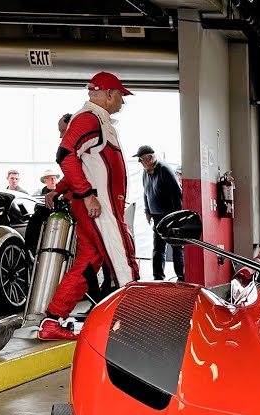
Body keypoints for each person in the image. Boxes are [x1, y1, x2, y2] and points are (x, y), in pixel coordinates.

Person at [38, 71, 140, 341]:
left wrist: (62, 189)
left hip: (96, 207)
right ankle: (139, 323)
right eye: (120, 96)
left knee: (87, 264)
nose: (122, 101)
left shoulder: (97, 120)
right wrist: (87, 194)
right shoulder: (89, 119)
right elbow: (65, 155)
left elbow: (79, 162)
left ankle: (53, 320)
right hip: (100, 209)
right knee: (123, 259)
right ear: (107, 93)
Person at [134, 145, 185, 282]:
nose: (140, 162)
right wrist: (147, 211)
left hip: (170, 215)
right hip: (157, 216)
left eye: (141, 159)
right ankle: (158, 278)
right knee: (158, 248)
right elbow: (146, 193)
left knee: (176, 246)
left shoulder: (165, 170)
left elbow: (177, 195)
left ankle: (181, 277)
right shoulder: (145, 172)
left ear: (150, 158)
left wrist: (177, 218)